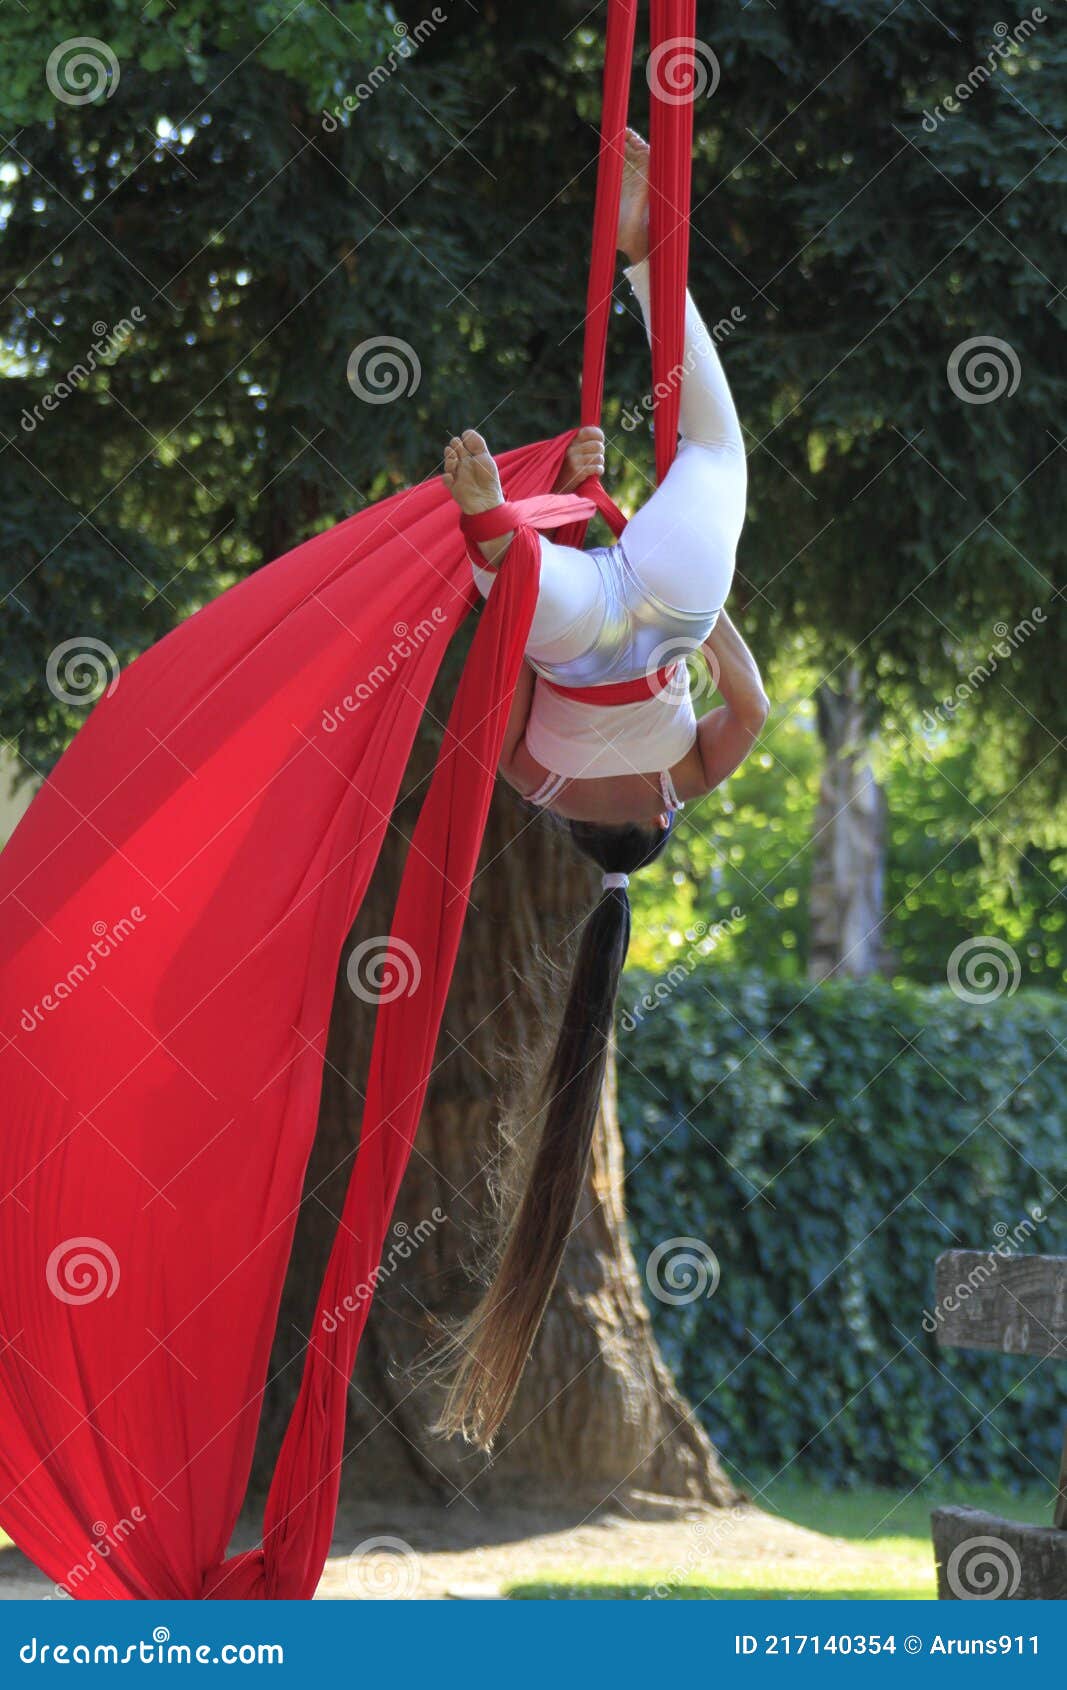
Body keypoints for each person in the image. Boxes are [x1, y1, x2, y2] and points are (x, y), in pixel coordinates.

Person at [434, 131, 768, 1449]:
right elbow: (502, 689)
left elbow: (748, 703)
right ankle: (486, 538)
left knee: (720, 460)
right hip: (579, 618)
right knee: (529, 609)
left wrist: (706, 616)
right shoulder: (538, 782)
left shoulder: (687, 774)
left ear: (659, 832)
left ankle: (646, 266)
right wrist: (549, 536)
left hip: (671, 599)